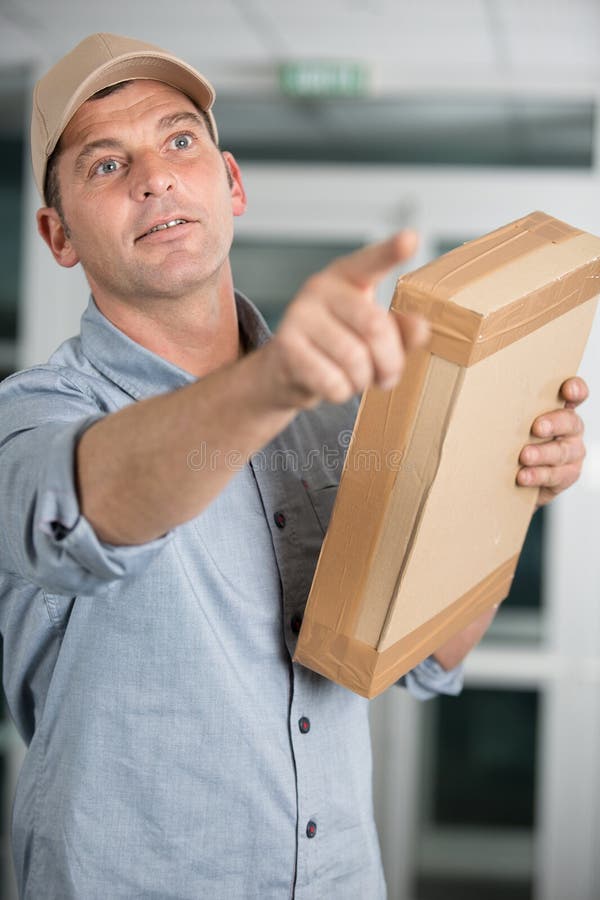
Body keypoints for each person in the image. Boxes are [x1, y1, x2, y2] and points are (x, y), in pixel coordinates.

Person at [0, 33, 588, 900]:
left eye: (179, 141)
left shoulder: (339, 410)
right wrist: (268, 386)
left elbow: (426, 654)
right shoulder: (34, 414)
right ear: (57, 236)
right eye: (103, 166)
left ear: (230, 183)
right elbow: (87, 504)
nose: (155, 177)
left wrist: (514, 487)